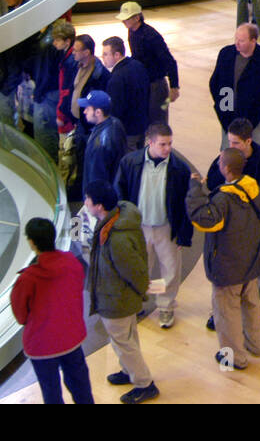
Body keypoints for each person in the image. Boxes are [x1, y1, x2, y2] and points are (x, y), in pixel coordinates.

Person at [187, 148, 260, 371]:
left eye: (220, 161)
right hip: (252, 261)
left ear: (226, 168)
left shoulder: (224, 199)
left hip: (229, 267)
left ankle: (233, 357)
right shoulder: (255, 189)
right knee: (252, 305)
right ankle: (256, 345)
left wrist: (194, 190)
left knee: (227, 314)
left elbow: (205, 220)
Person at [82, 181, 158, 403]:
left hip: (116, 299)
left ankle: (144, 384)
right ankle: (128, 370)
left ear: (98, 206)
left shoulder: (116, 237)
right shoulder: (114, 221)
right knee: (127, 338)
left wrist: (140, 292)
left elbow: (134, 270)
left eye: (88, 199)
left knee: (124, 343)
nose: (85, 203)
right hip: (116, 295)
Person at [204, 117, 260, 311]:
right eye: (229, 141)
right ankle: (221, 313)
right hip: (229, 231)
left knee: (257, 275)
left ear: (248, 141)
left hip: (256, 231)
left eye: (236, 143)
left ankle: (255, 313)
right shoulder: (223, 160)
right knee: (224, 274)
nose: (230, 146)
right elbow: (212, 186)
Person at [113, 123, 193, 330]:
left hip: (167, 228)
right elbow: (119, 193)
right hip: (139, 228)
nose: (167, 148)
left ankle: (165, 307)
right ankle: (137, 302)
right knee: (139, 268)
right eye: (162, 144)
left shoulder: (180, 169)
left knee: (171, 269)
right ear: (150, 142)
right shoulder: (130, 162)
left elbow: (186, 203)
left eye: (170, 144)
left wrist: (183, 235)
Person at [10, 217, 93, 405]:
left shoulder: (28, 278)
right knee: (81, 385)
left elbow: (20, 314)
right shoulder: (71, 262)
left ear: (31, 242)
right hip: (71, 337)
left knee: (51, 392)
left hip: (42, 345)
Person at [208, 23, 260, 149]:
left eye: (242, 41)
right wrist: (221, 105)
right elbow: (215, 82)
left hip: (255, 117)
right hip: (229, 116)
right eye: (236, 39)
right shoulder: (226, 54)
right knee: (229, 153)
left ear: (253, 40)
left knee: (259, 154)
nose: (237, 43)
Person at [117, 1, 179, 127]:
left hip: (156, 85)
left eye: (127, 19)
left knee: (157, 122)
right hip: (143, 82)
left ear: (137, 18)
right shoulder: (132, 32)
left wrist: (174, 87)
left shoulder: (151, 36)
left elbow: (169, 61)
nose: (124, 22)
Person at [102, 36, 151, 151]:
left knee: (128, 163)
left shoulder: (117, 78)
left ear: (117, 55)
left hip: (127, 131)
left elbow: (115, 110)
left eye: (105, 54)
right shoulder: (138, 66)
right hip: (141, 125)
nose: (103, 58)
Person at [78, 90, 129, 190]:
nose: (84, 112)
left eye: (87, 109)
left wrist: (92, 201)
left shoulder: (99, 145)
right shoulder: (116, 123)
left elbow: (97, 181)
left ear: (98, 112)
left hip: (100, 200)